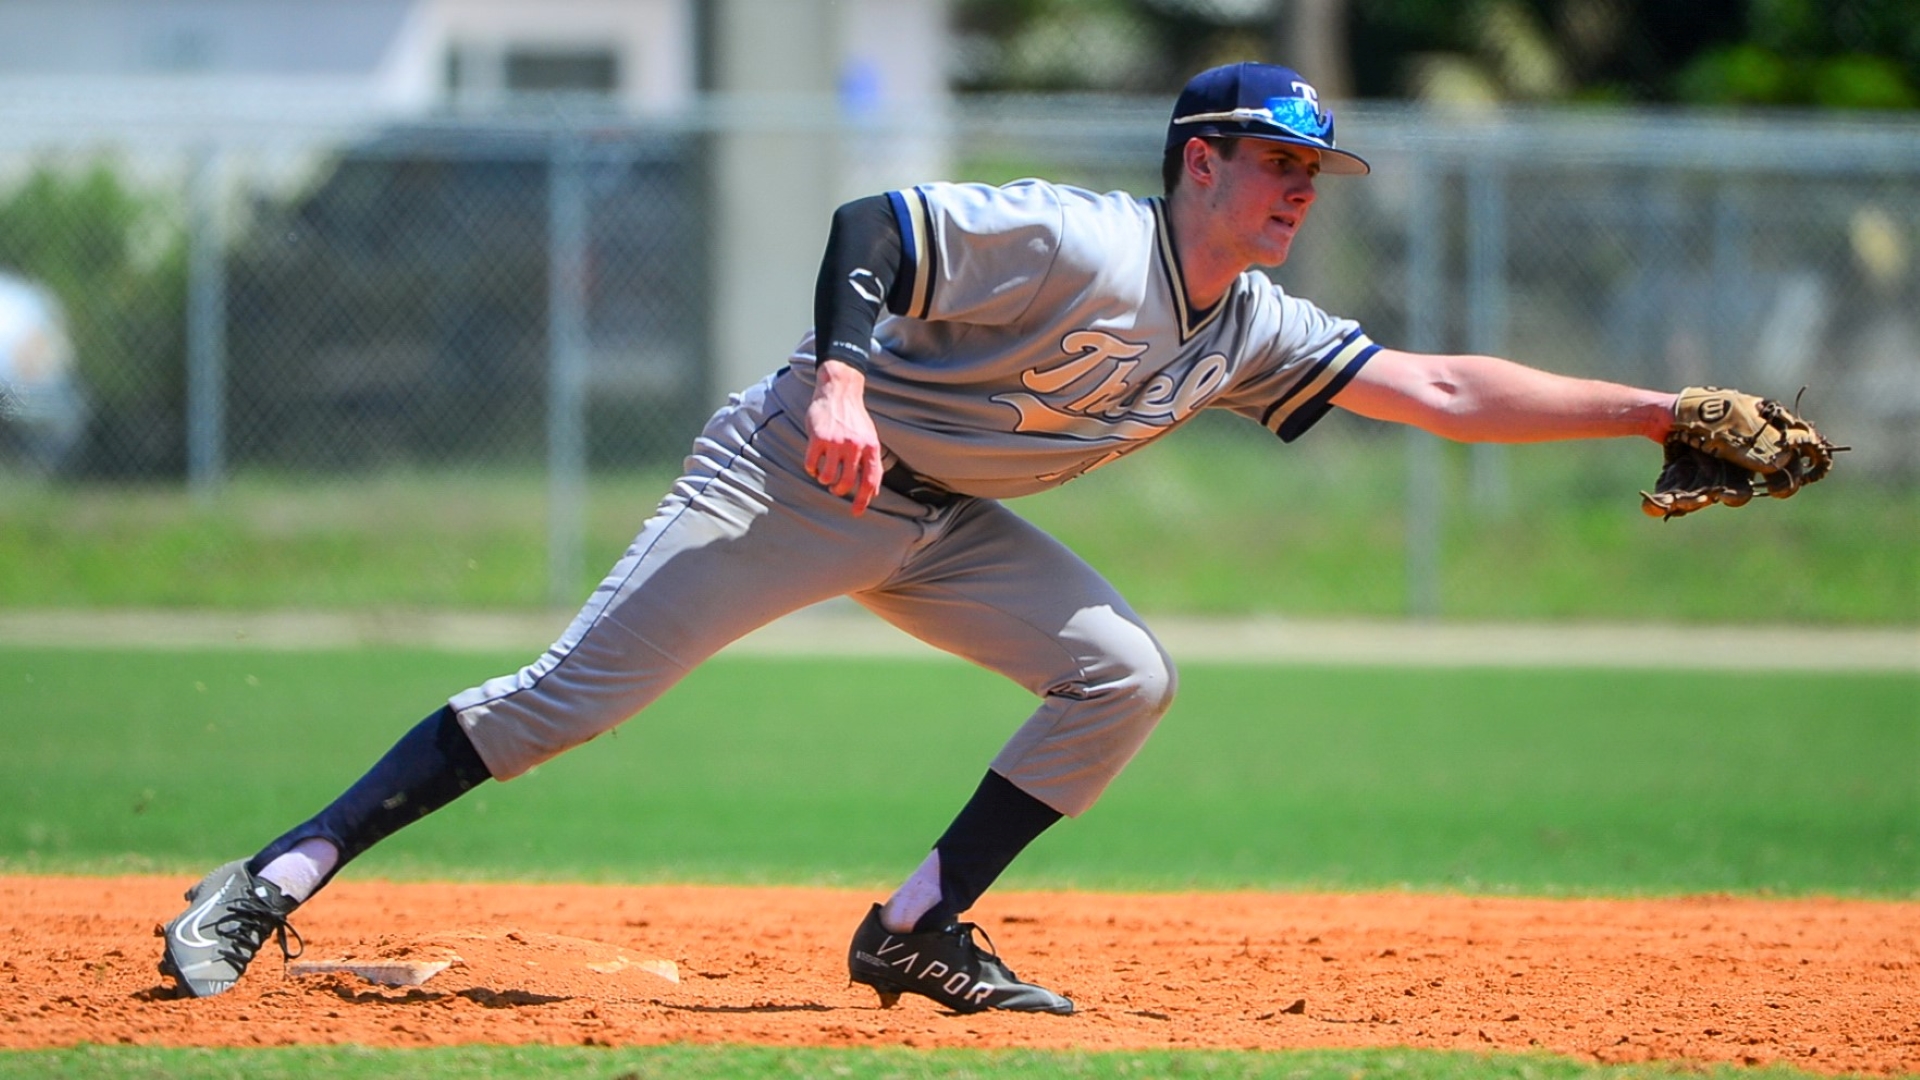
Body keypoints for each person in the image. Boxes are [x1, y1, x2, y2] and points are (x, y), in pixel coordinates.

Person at [161, 61, 1687, 1013]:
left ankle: (916, 927)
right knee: (565, 707)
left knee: (1124, 678)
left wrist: (1653, 413)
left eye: (1313, 171)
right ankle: (274, 876)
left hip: (948, 523)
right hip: (797, 473)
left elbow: (1435, 385)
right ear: (1198, 161)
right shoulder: (1088, 240)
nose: (1298, 188)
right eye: (1274, 159)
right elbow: (874, 230)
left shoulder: (1253, 325)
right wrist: (835, 372)